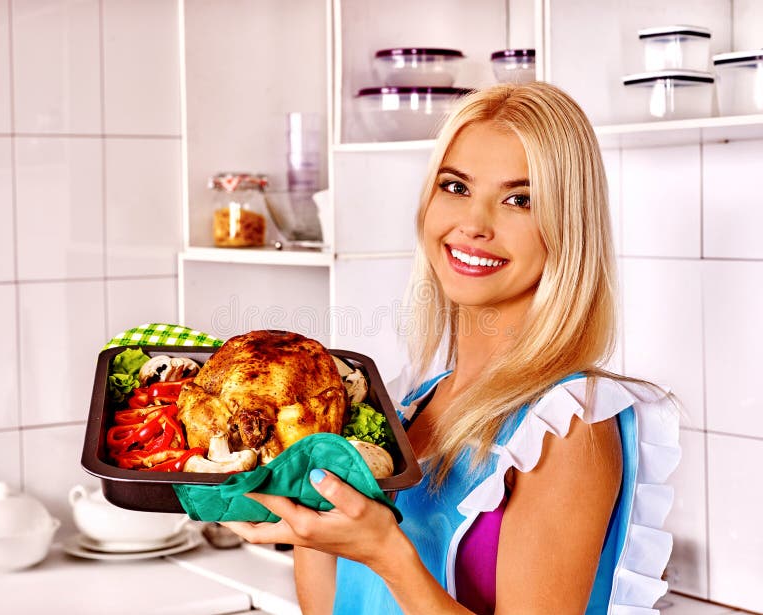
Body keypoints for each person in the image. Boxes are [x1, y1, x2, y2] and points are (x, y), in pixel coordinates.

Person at [223, 82, 682, 615]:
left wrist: (387, 553)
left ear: (566, 227)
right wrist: (303, 512)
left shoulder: (566, 428)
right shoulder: (410, 405)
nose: (474, 224)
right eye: (456, 187)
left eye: (519, 200)